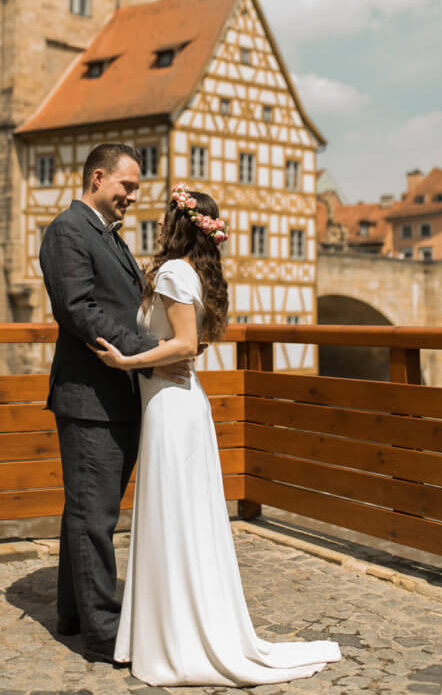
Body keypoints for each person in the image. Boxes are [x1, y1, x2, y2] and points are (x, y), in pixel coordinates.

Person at [92, 184, 342, 687]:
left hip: (170, 405)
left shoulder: (171, 271)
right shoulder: (191, 273)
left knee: (172, 515)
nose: (158, 224)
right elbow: (189, 344)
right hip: (177, 402)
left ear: (177, 223)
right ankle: (171, 629)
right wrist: (161, 357)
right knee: (180, 517)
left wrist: (126, 361)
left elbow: (184, 343)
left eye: (165, 216)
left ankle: (173, 637)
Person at [39, 144, 194, 663]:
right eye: (126, 186)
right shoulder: (68, 231)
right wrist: (150, 354)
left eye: (136, 189)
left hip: (117, 394)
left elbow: (126, 308)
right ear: (98, 178)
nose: (132, 196)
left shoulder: (110, 238)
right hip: (90, 396)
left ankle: (72, 612)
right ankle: (103, 633)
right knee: (94, 516)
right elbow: (79, 310)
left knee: (85, 511)